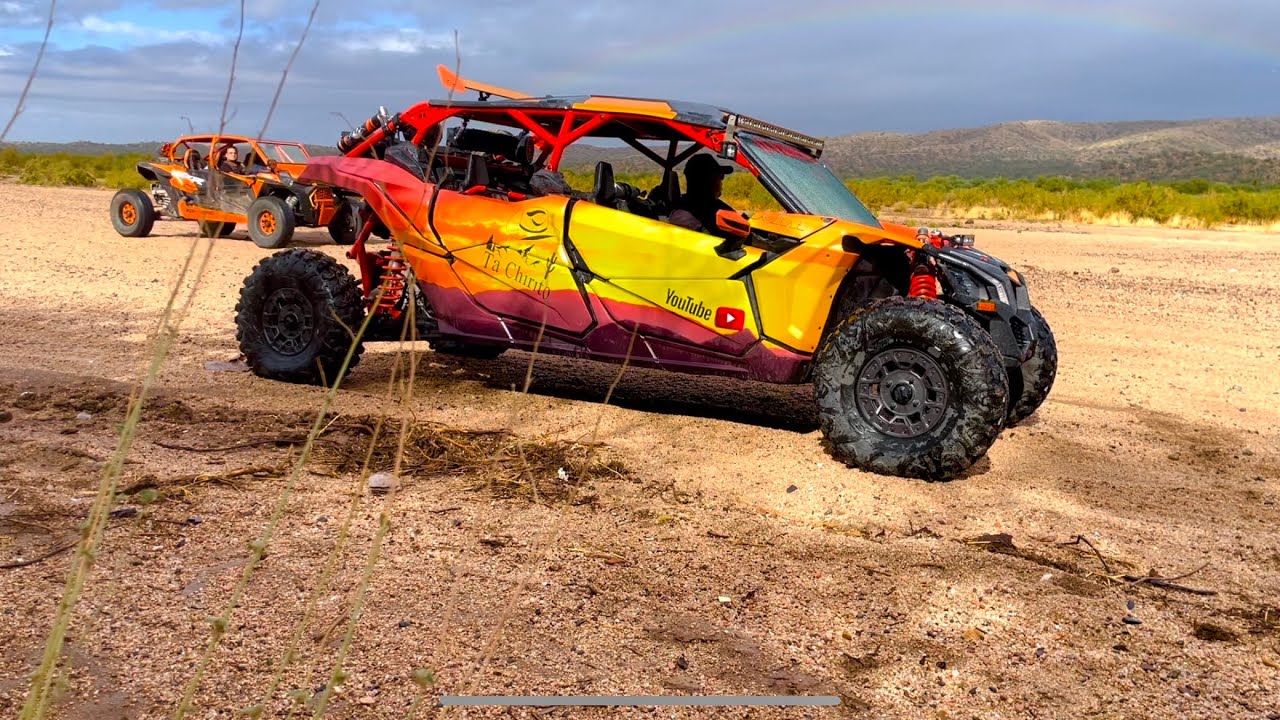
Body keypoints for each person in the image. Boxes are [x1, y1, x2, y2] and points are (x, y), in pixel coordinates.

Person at [668, 152, 736, 236]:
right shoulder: (685, 215)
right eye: (720, 176)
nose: (722, 181)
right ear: (708, 181)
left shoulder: (712, 205)